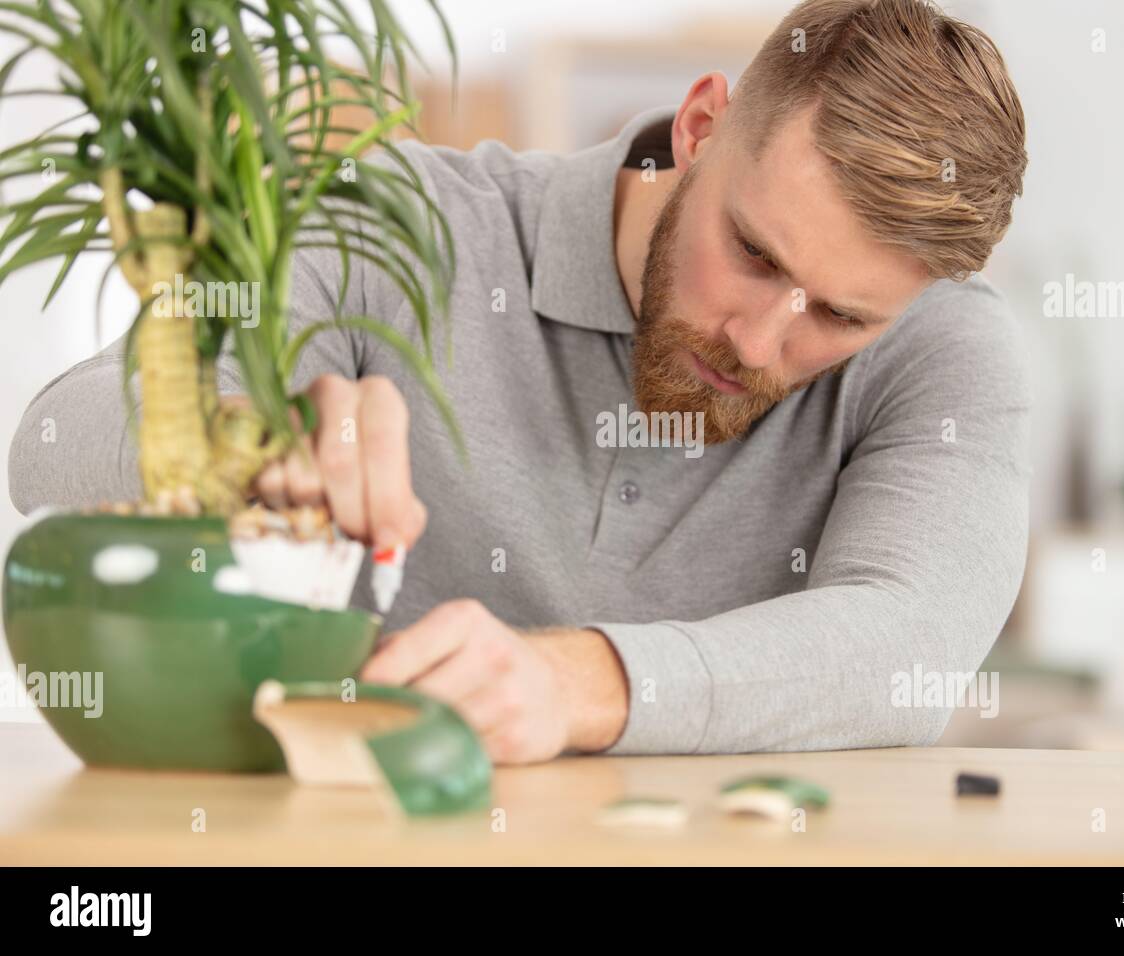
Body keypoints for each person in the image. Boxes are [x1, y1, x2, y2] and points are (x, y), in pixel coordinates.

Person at [8, 0, 1030, 764]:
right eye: (754, 253)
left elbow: (910, 641)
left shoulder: (944, 351)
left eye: (840, 315)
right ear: (701, 125)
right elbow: (49, 449)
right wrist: (252, 437)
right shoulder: (393, 217)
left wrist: (574, 679)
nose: (762, 344)